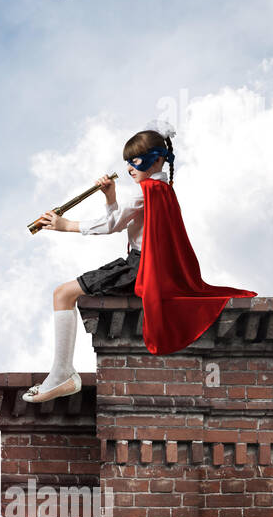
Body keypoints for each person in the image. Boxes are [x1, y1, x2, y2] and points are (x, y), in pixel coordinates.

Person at [22, 123, 255, 403]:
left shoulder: (144, 191)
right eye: (128, 162)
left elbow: (111, 225)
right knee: (64, 292)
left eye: (136, 160)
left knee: (62, 293)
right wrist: (110, 197)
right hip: (144, 264)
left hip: (139, 269)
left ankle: (62, 375)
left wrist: (64, 224)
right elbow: (122, 221)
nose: (130, 168)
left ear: (156, 158)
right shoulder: (160, 188)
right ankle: (62, 374)